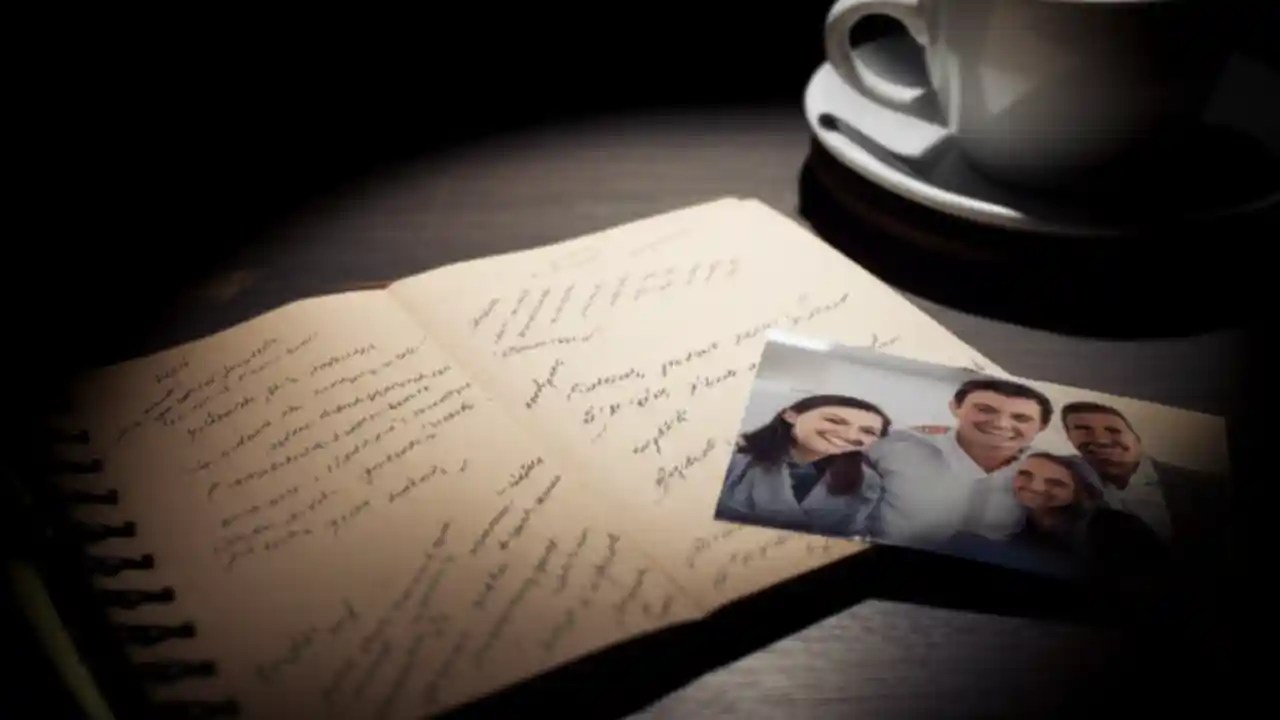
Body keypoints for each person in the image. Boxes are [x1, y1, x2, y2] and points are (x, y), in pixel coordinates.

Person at [854, 378, 1053, 546]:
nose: (1001, 424)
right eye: (985, 410)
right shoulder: (894, 446)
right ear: (955, 408)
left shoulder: (1055, 471)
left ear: (1042, 426)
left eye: (1021, 418)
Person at [947, 452, 1167, 579]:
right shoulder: (1025, 523)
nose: (1036, 487)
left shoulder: (1114, 526)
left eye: (1056, 483)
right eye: (1026, 475)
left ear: (1081, 492)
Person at [1060, 401, 1229, 555]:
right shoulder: (1064, 477)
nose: (1101, 440)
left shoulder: (1205, 485)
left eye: (1113, 430)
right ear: (1069, 437)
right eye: (1083, 430)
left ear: (1137, 438)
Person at [716, 394, 891, 535]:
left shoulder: (868, 481)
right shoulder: (732, 460)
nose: (851, 435)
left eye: (868, 431)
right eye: (834, 421)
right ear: (790, 416)